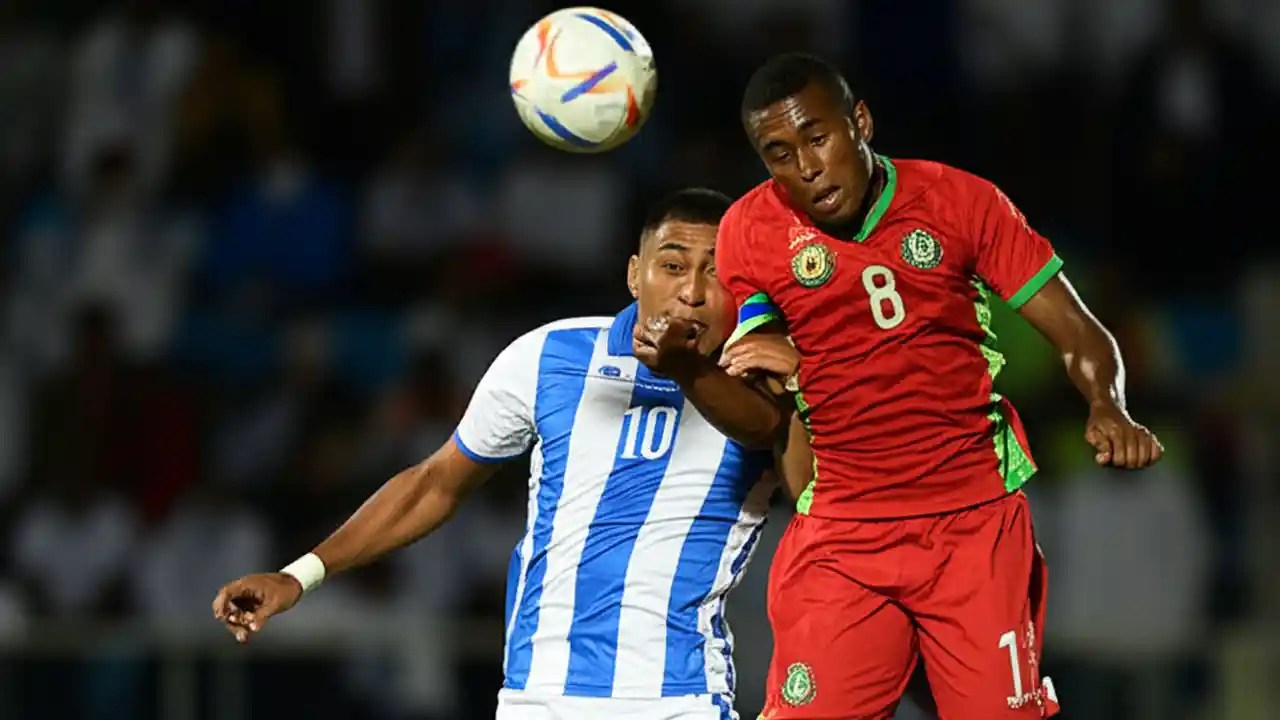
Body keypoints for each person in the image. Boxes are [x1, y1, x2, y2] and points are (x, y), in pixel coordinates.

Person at [634, 54, 1164, 719]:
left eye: (817, 138)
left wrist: (1107, 405)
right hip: (844, 535)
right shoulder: (751, 231)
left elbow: (1079, 331)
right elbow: (763, 415)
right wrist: (695, 368)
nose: (805, 166)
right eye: (778, 153)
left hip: (972, 525)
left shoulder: (959, 201)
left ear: (860, 121)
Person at [211, 188, 801, 720]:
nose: (692, 292)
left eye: (714, 274)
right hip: (536, 699)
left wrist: (801, 393)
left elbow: (815, 495)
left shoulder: (762, 385)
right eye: (672, 266)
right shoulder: (550, 355)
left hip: (681, 701)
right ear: (633, 273)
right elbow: (435, 483)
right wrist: (300, 575)